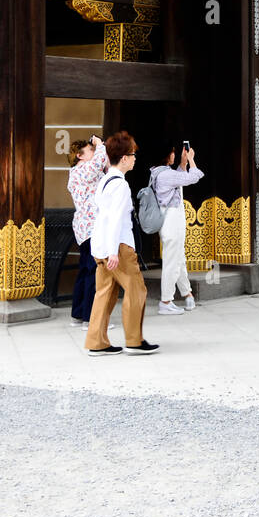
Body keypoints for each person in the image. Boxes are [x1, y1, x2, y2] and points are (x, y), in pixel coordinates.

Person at [85, 132, 159, 356]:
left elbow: (103, 217)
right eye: (133, 154)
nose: (135, 158)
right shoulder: (121, 186)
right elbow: (116, 218)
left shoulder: (105, 181)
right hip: (118, 247)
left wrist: (105, 250)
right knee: (137, 290)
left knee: (104, 293)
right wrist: (114, 251)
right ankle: (134, 340)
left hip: (101, 246)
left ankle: (96, 342)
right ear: (124, 158)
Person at [149, 139, 204, 315]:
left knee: (178, 258)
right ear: (166, 155)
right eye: (172, 152)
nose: (174, 154)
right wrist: (192, 159)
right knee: (172, 262)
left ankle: (187, 294)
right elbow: (195, 176)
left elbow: (178, 180)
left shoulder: (158, 172)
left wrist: (183, 162)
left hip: (167, 219)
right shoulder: (166, 174)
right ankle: (166, 301)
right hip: (172, 220)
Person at [67, 133, 108, 326]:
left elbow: (106, 167)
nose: (93, 152)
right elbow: (98, 163)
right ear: (79, 156)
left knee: (86, 269)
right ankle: (90, 317)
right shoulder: (80, 170)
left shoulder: (85, 171)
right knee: (93, 271)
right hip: (90, 227)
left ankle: (79, 313)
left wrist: (101, 147)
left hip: (88, 227)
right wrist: (99, 145)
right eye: (89, 150)